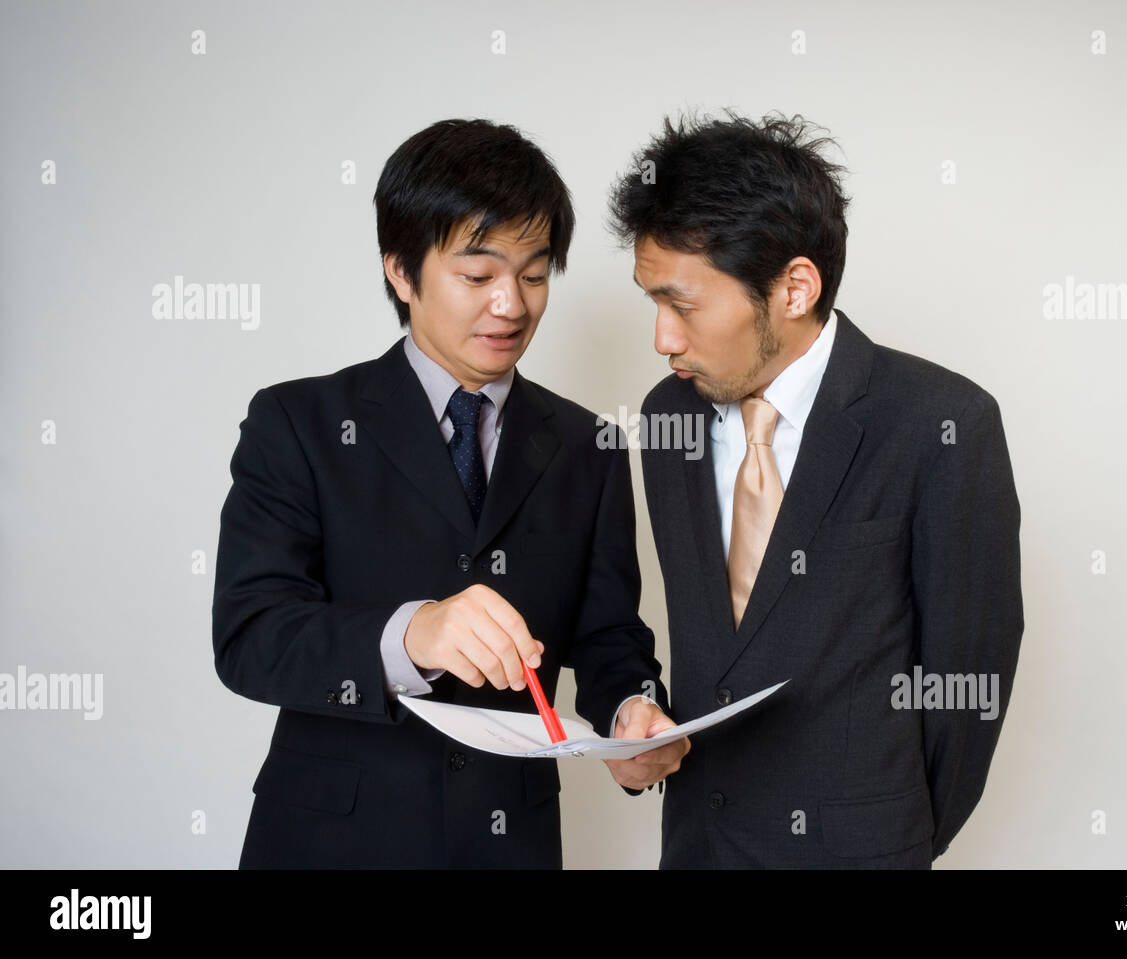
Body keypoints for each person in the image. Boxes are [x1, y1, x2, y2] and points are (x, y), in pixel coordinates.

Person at [213, 118, 686, 869]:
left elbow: (609, 637)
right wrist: (412, 634)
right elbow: (251, 637)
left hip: (511, 844)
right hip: (330, 844)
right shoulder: (298, 423)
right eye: (477, 276)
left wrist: (635, 710)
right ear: (402, 272)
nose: (511, 305)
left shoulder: (589, 446)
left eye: (534, 276)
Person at [606, 111, 1024, 868]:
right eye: (652, 303)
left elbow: (966, 682)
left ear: (795, 287)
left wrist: (894, 841)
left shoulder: (942, 423)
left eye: (684, 304)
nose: (662, 338)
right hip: (698, 845)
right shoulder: (668, 415)